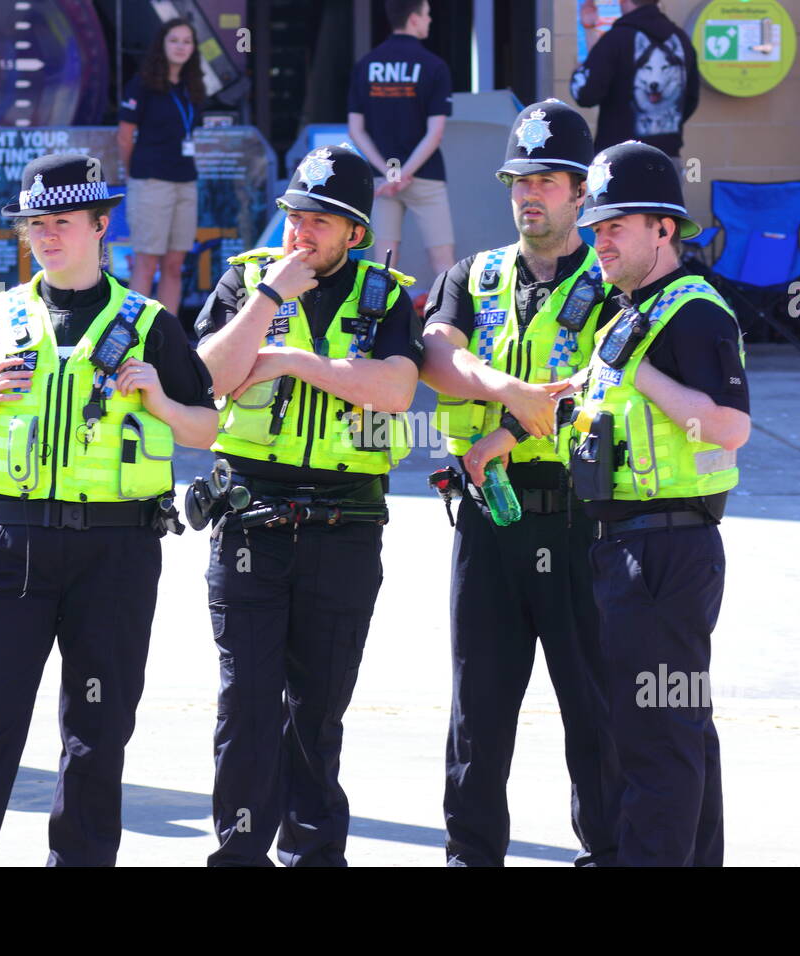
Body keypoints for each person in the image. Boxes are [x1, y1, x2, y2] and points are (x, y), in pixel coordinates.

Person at [0, 153, 218, 866]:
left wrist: (162, 401)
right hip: (10, 548)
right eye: (36, 224)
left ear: (100, 225)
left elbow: (207, 428)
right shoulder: (0, 316)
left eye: (62, 222)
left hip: (114, 555)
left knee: (97, 732)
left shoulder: (149, 325)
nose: (46, 235)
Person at [194, 144, 422, 866]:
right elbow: (210, 380)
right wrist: (271, 300)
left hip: (345, 522)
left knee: (317, 713)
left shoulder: (384, 296)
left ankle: (316, 855)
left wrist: (294, 361)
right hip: (250, 519)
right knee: (247, 706)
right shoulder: (246, 282)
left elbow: (396, 390)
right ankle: (238, 854)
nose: (304, 231)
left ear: (356, 232)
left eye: (324, 221)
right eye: (297, 214)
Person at [421, 98, 622, 867]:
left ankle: (609, 853)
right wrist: (508, 392)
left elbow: (597, 383)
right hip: (488, 521)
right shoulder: (474, 274)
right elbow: (438, 356)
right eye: (518, 180)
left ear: (580, 191)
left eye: (547, 180)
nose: (529, 194)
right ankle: (471, 858)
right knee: (479, 712)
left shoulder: (610, 280)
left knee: (595, 710)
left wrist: (511, 425)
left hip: (579, 523)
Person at [566, 140, 751, 865]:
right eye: (596, 227)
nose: (599, 239)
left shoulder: (693, 312)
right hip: (631, 546)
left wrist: (642, 377)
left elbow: (731, 427)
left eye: (617, 225)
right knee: (675, 731)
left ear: (663, 229)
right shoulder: (626, 315)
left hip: (666, 550)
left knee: (655, 740)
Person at [347, 0, 456, 277]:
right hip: (425, 176)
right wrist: (403, 174)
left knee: (383, 264)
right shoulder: (434, 66)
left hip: (382, 179)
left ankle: (377, 320)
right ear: (414, 19)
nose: (430, 20)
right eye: (427, 15)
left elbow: (356, 129)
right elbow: (436, 133)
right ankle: (449, 319)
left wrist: (391, 173)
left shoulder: (366, 64)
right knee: (443, 261)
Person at [118, 17, 205, 319]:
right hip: (151, 182)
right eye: (174, 40)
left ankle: (168, 336)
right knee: (147, 262)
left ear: (193, 48)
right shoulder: (142, 84)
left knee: (174, 265)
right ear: (162, 45)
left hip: (185, 182)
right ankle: (135, 334)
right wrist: (135, 176)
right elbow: (125, 137)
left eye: (187, 41)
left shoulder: (193, 87)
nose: (181, 47)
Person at [569, 0, 699, 168]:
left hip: (618, 164)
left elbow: (586, 94)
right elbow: (691, 99)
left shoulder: (616, 38)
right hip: (666, 163)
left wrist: (578, 72)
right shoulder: (681, 39)